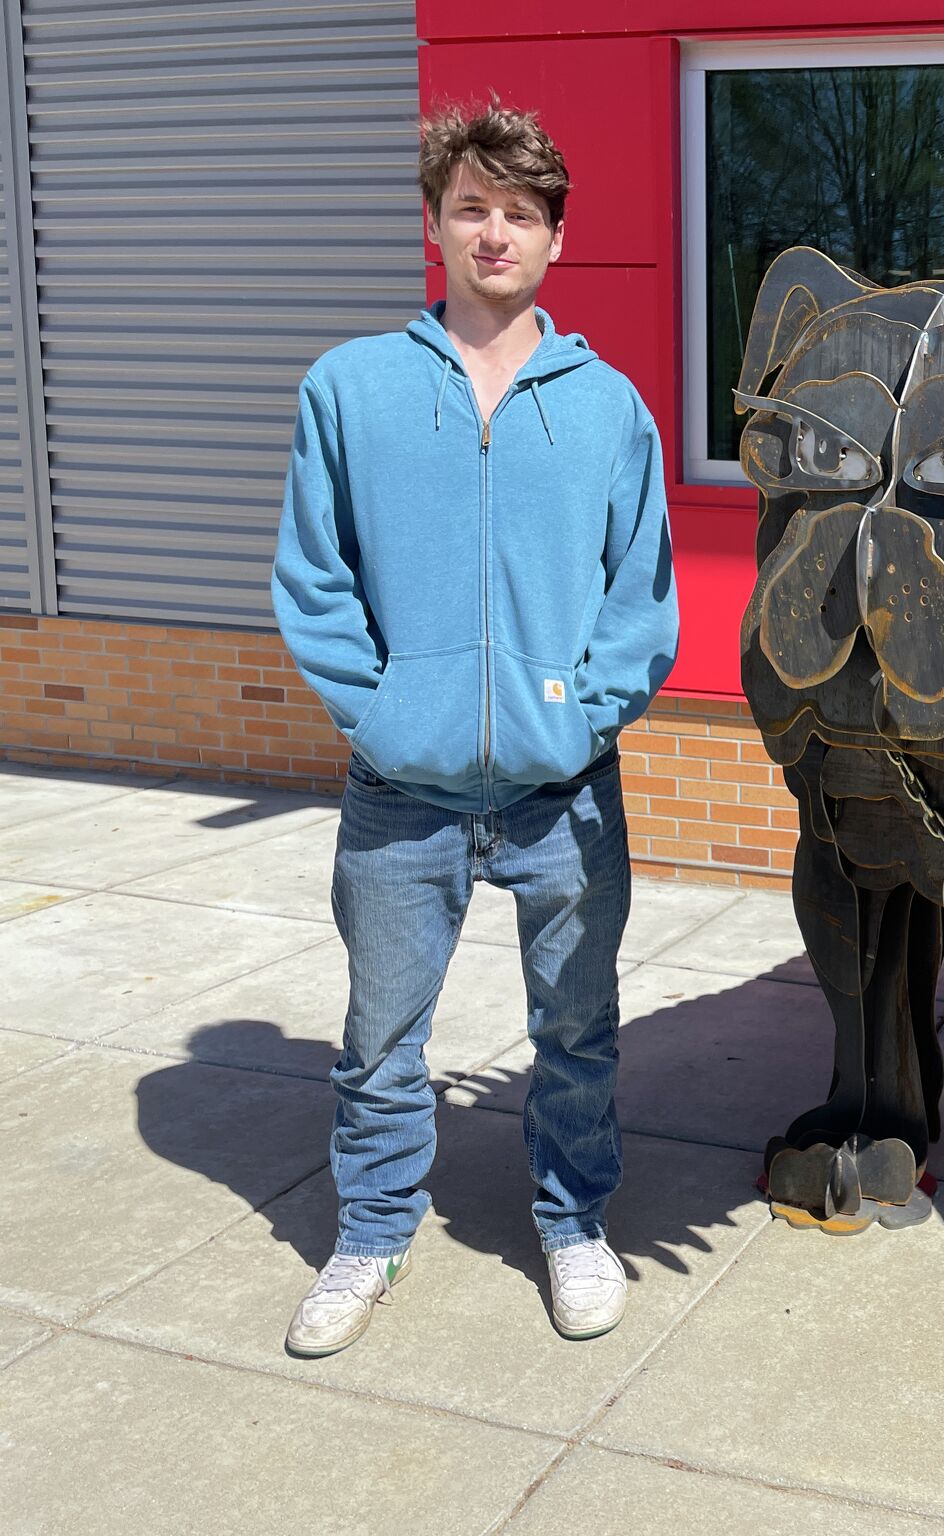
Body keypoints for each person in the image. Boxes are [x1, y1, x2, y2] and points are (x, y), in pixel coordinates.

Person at [271, 105, 677, 1356]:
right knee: (380, 1039)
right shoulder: (352, 388)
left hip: (568, 794)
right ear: (435, 223)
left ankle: (572, 1226)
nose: (494, 232)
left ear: (556, 237)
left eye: (520, 211)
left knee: (576, 1031)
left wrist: (582, 711)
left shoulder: (608, 407)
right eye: (471, 207)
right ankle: (373, 1235)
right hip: (404, 787)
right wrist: (388, 714)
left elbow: (639, 592)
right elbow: (315, 578)